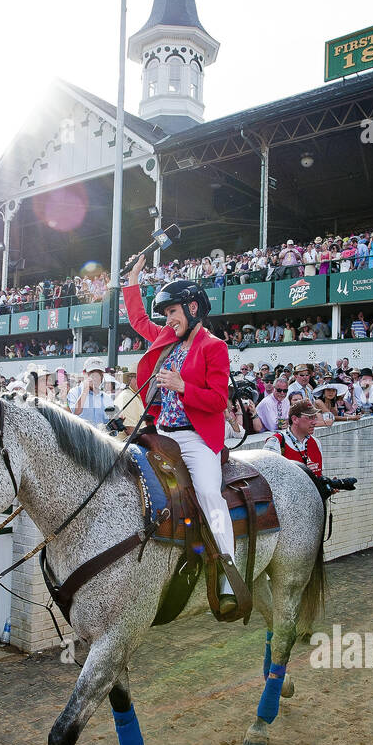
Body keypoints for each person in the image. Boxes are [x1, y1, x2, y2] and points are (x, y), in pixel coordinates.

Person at [124, 253, 236, 614]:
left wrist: (182, 385)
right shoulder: (167, 338)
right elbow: (138, 318)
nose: (167, 319)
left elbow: (219, 400)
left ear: (191, 308)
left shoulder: (214, 347)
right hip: (161, 432)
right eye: (167, 314)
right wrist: (131, 280)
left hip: (196, 439)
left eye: (172, 312)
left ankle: (227, 570)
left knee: (207, 492)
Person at [265, 400, 323, 474]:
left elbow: (320, 474)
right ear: (295, 419)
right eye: (309, 417)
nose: (315, 422)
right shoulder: (276, 442)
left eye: (315, 417)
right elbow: (268, 475)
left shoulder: (316, 442)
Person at [69, 358, 109, 428]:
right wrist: (85, 391)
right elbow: (74, 413)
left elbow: (108, 423)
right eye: (92, 373)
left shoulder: (106, 397)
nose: (95, 377)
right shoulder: (74, 392)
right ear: (84, 373)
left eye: (99, 374)